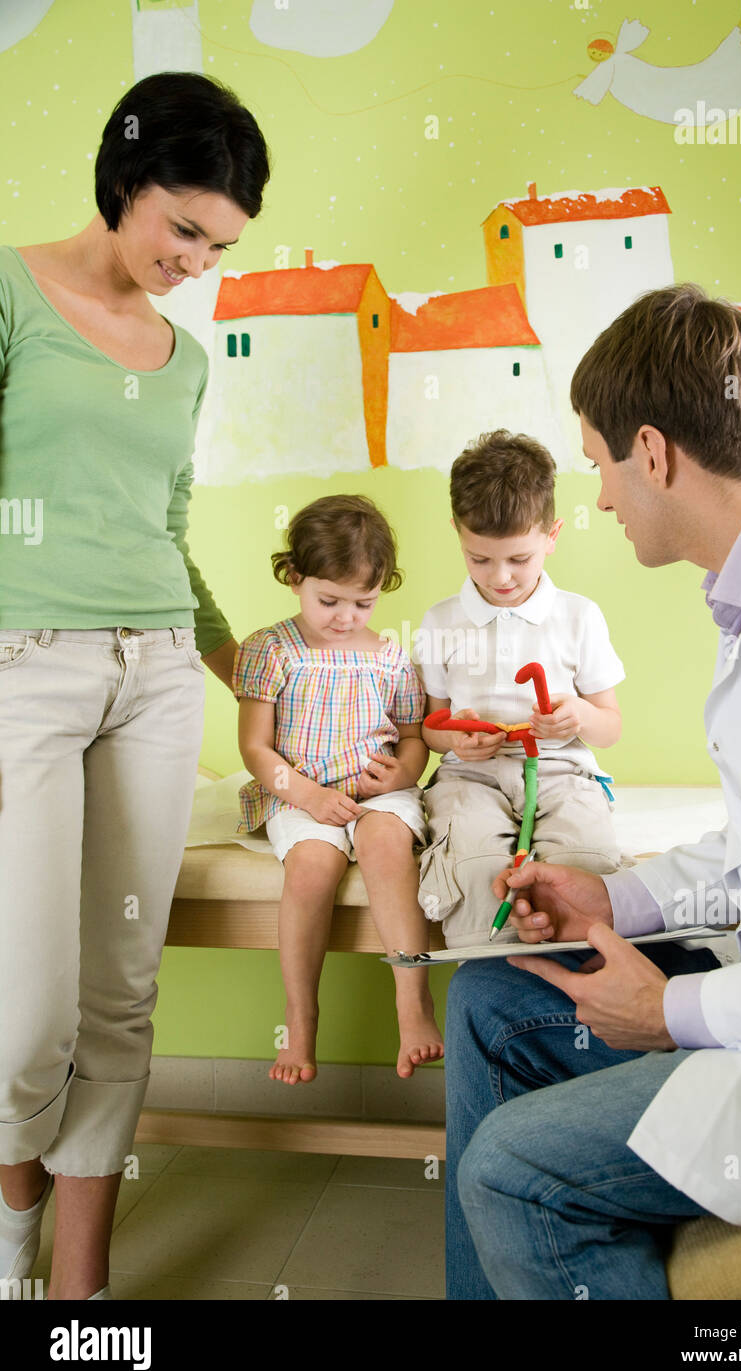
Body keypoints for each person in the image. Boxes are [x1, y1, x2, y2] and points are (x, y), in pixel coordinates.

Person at [446, 282, 741, 1300]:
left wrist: (677, 1006)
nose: (594, 497)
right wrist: (612, 902)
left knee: (516, 1169)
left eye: (595, 464)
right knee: (489, 998)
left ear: (652, 452)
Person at [0, 72, 270, 1301]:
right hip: (25, 668)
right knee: (26, 1022)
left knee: (122, 991)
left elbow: (163, 522)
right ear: (123, 180)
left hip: (156, 674)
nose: (195, 262)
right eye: (184, 228)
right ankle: (13, 1214)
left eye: (218, 245)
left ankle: (78, 1296)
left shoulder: (185, 356)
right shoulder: (11, 290)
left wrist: (237, 658)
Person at [234, 495, 444, 1085]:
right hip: (300, 790)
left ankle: (413, 999)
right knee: (311, 869)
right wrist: (306, 796)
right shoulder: (270, 650)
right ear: (295, 577)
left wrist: (403, 774)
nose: (346, 616)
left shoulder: (389, 658)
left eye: (364, 602)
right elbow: (255, 749)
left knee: (384, 846)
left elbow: (413, 738)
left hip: (377, 791)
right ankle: (300, 1020)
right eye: (329, 600)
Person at [415, 429, 626, 948]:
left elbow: (611, 726)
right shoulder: (440, 621)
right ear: (457, 534)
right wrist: (455, 741)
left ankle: (568, 974)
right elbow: (428, 728)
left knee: (585, 865)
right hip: (472, 777)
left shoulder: (580, 616)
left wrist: (577, 715)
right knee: (474, 868)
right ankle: (495, 971)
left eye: (519, 559)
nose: (501, 577)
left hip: (562, 772)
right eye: (479, 559)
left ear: (552, 536)